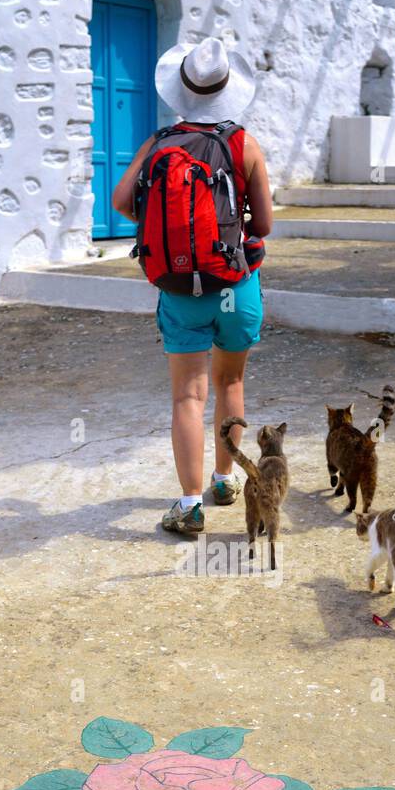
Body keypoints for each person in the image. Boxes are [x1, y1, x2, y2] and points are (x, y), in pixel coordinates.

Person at [112, 37, 273, 535]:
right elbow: (263, 225)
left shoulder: (159, 143)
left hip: (179, 287)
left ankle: (188, 505)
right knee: (231, 383)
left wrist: (170, 226)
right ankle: (224, 480)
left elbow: (120, 201)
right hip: (235, 283)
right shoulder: (244, 143)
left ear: (182, 89)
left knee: (188, 396)